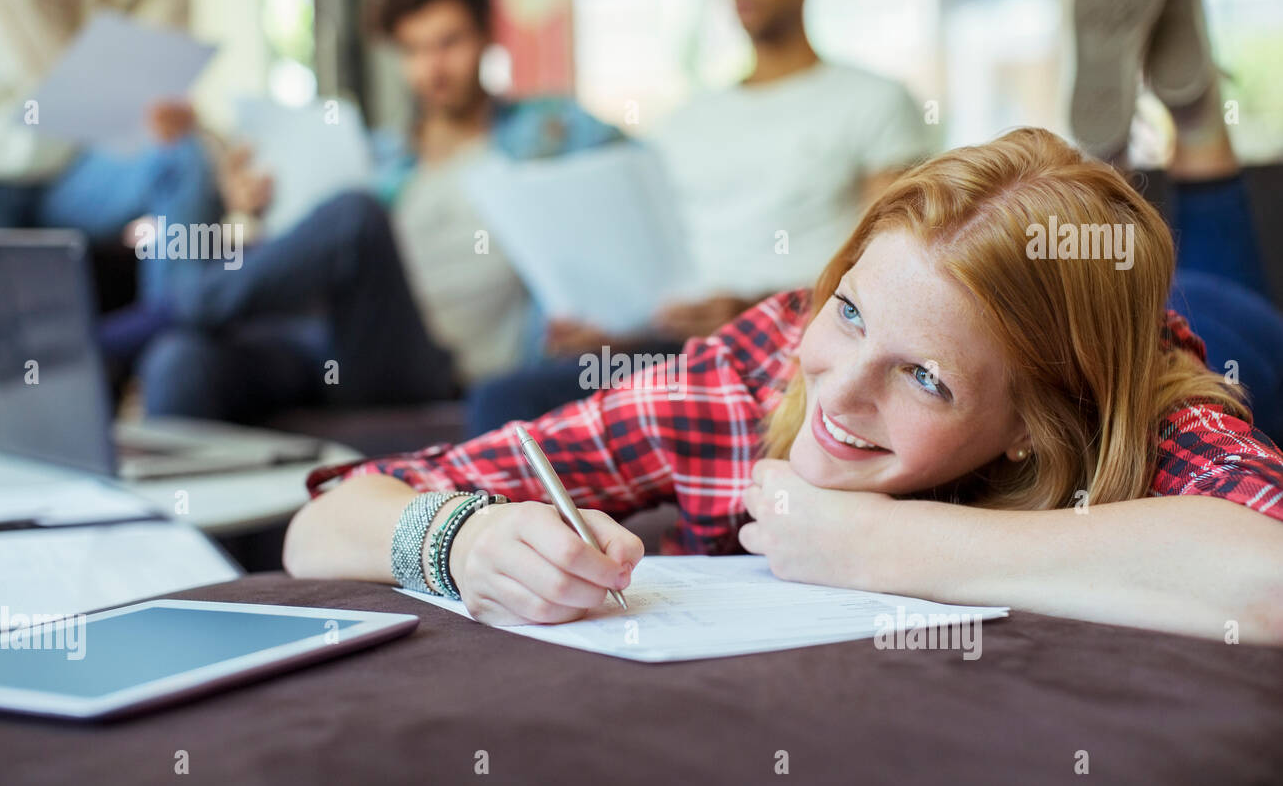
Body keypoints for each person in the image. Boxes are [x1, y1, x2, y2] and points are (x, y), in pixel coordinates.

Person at [284, 128, 1283, 644]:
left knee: (1233, 300)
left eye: (923, 377)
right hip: (1069, 303)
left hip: (1200, 331)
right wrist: (466, 538)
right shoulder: (754, 369)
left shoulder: (1147, 410)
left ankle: (1188, 143)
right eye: (847, 309)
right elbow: (320, 523)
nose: (837, 393)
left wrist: (882, 542)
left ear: (1028, 424)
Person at [465, 0, 932, 434]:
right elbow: (655, 262)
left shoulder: (874, 102)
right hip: (669, 349)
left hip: (785, 345)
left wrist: (755, 311)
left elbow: (893, 274)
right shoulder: (683, 124)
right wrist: (611, 329)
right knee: (506, 399)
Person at [137, 0, 620, 421]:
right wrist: (248, 212)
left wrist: (614, 315)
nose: (432, 68)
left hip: (429, 367)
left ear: (487, 36)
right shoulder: (381, 158)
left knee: (356, 214)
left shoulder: (546, 134)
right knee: (180, 361)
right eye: (413, 50)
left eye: (448, 43)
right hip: (335, 344)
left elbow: (633, 180)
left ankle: (170, 308)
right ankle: (174, 321)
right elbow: (307, 256)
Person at [1070, 0, 1283, 441]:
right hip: (1157, 339)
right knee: (1195, 328)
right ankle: (1117, 152)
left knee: (1211, 333)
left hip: (1175, 347)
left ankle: (1179, 122)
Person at [0, 0, 220, 302]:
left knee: (184, 158)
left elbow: (162, 77)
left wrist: (217, 148)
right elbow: (47, 79)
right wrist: (148, 111)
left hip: (76, 173)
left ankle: (175, 333)